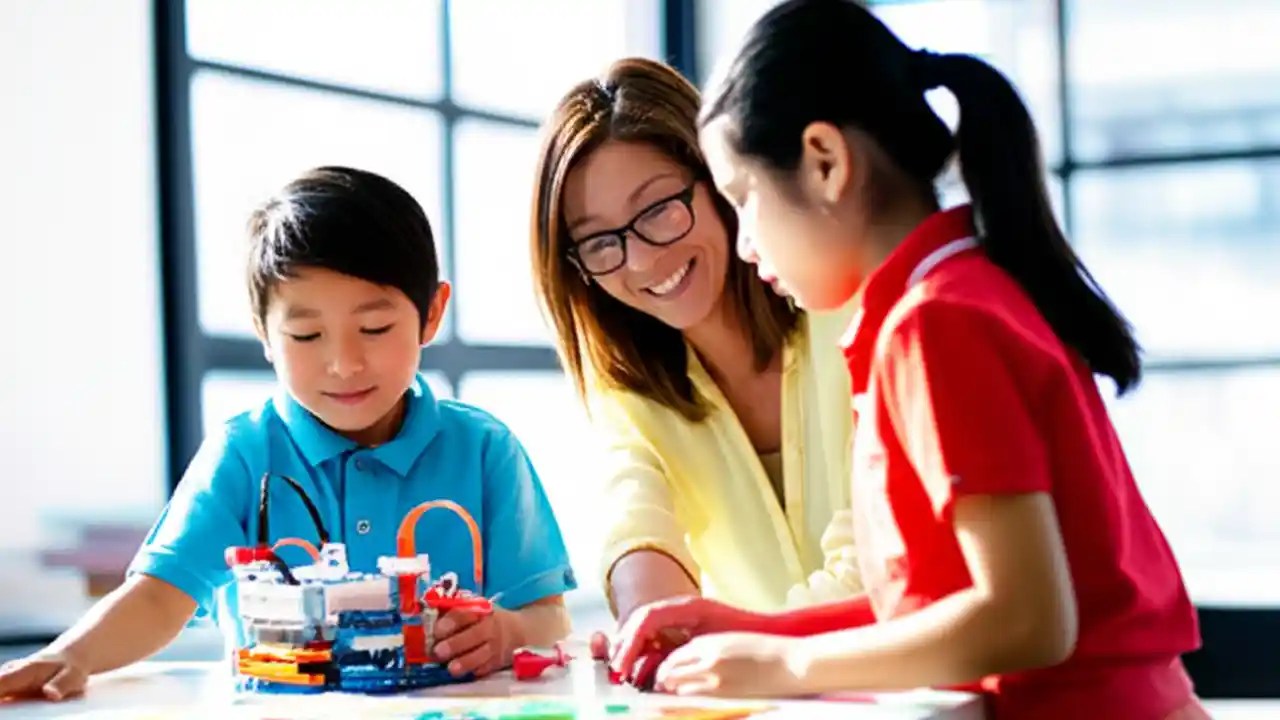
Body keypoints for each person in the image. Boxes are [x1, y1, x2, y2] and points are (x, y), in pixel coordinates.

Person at [608, 2, 1207, 718]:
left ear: (825, 163)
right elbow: (940, 607)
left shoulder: (937, 325)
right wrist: (758, 629)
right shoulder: (962, 295)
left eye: (745, 200)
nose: (744, 246)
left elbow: (1027, 620)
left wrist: (788, 662)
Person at [0, 166, 576, 702]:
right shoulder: (244, 454)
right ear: (264, 334)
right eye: (306, 336)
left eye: (374, 327)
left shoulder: (483, 449)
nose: (344, 364)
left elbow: (548, 613)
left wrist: (509, 632)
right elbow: (158, 595)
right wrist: (68, 655)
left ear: (431, 313)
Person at [529, 56, 863, 639]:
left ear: (720, 182)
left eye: (658, 209)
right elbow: (633, 527)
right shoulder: (631, 398)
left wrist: (734, 648)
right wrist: (653, 627)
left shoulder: (847, 310)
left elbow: (882, 566)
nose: (641, 260)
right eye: (600, 241)